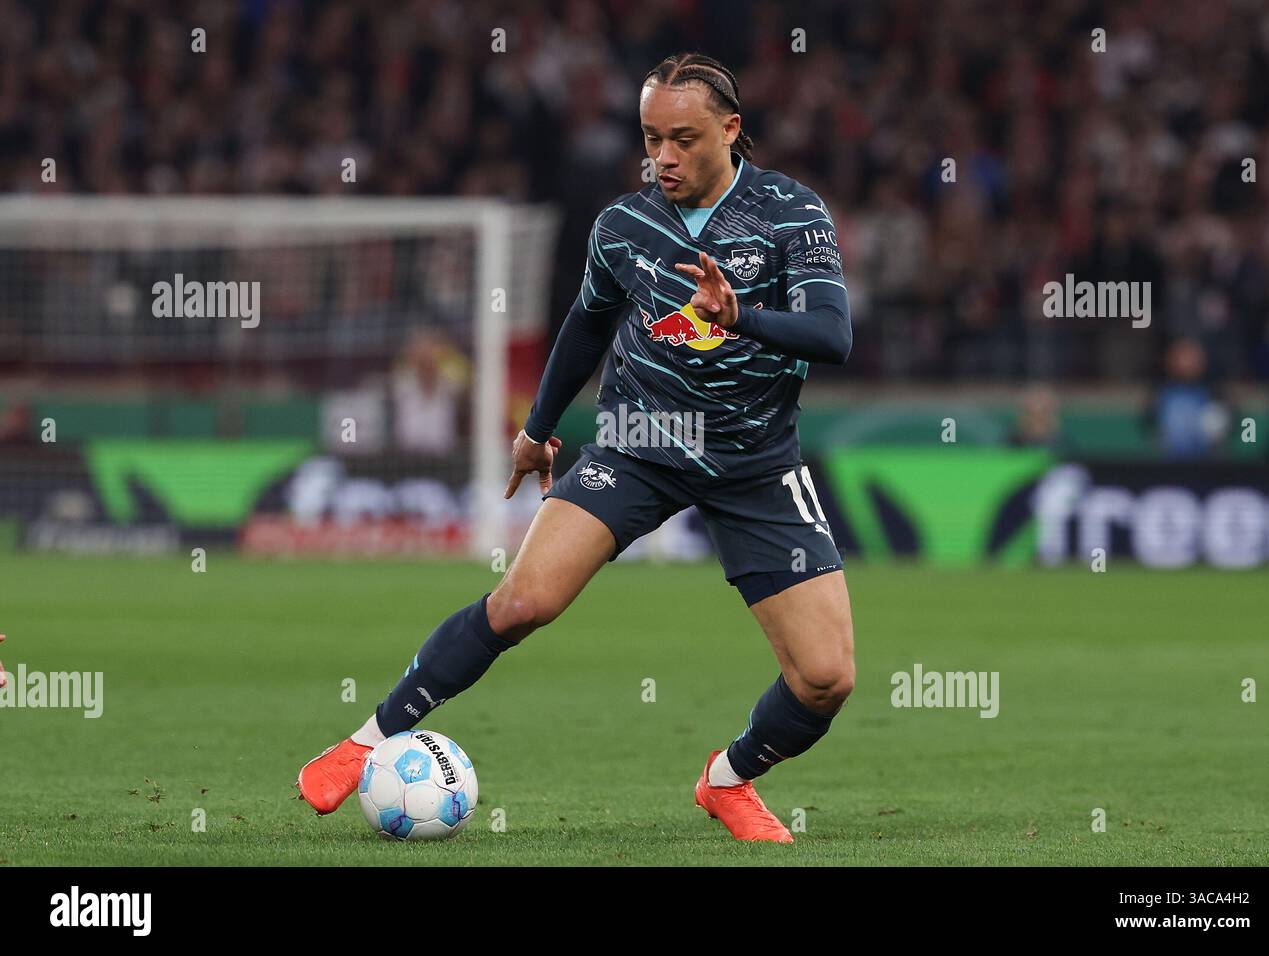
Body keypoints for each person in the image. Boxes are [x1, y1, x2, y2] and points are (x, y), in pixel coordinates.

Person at [297, 52, 855, 843]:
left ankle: (728, 779)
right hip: (634, 443)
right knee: (523, 602)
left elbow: (833, 335)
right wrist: (536, 428)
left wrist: (741, 319)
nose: (662, 157)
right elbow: (587, 325)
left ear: (730, 131)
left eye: (683, 139)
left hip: (754, 461)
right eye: (651, 137)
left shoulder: (792, 215)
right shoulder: (622, 227)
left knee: (826, 680)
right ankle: (366, 742)